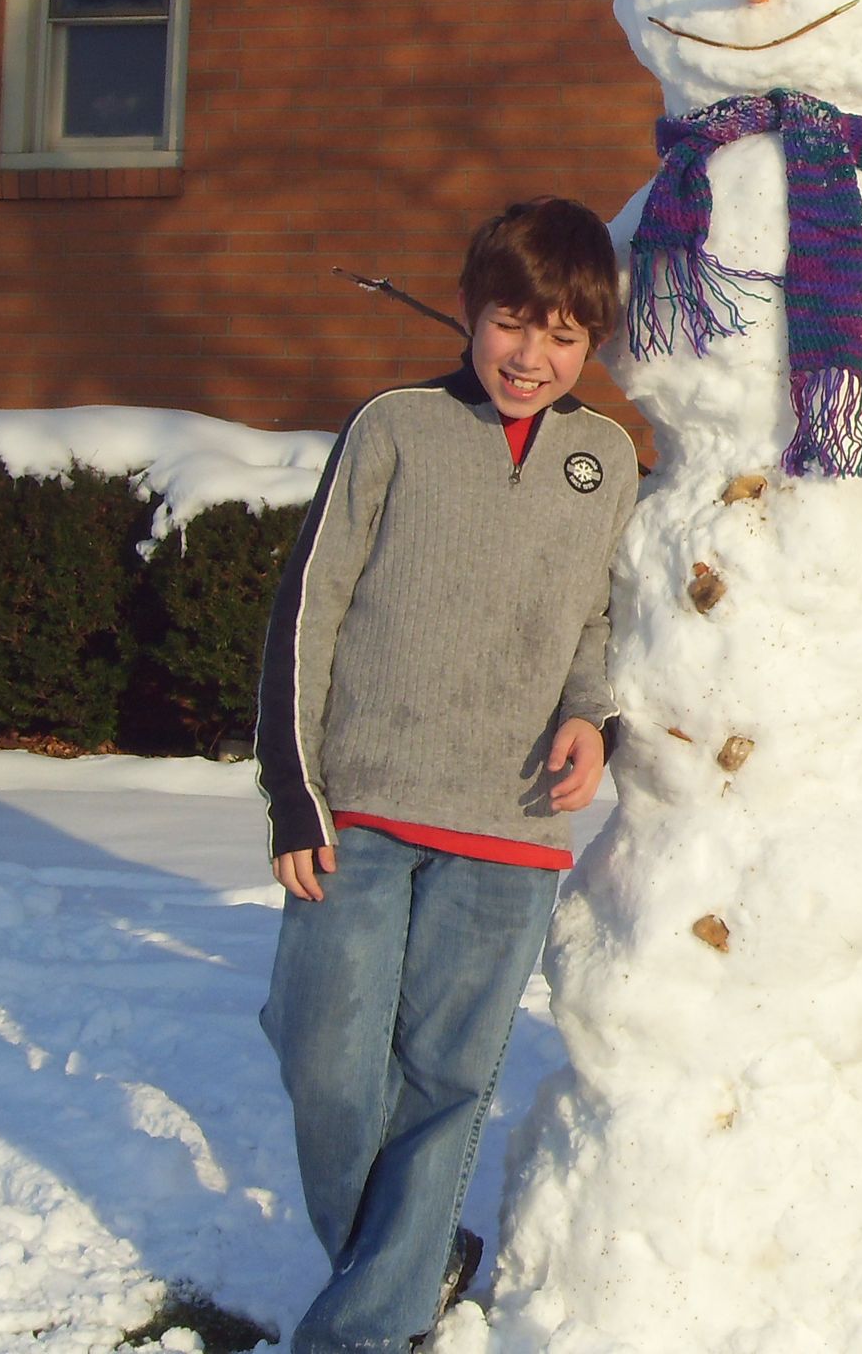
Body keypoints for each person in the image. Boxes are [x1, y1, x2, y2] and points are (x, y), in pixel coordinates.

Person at [253, 197, 638, 1354]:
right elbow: (307, 608)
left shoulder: (605, 458)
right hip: (360, 809)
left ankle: (368, 1326)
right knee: (324, 1059)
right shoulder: (396, 427)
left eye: (565, 337)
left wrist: (594, 718)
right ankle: (417, 1262)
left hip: (510, 824)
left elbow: (600, 619)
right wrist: (292, 786)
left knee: (443, 1082)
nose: (535, 357)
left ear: (593, 345)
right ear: (472, 311)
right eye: (516, 324)